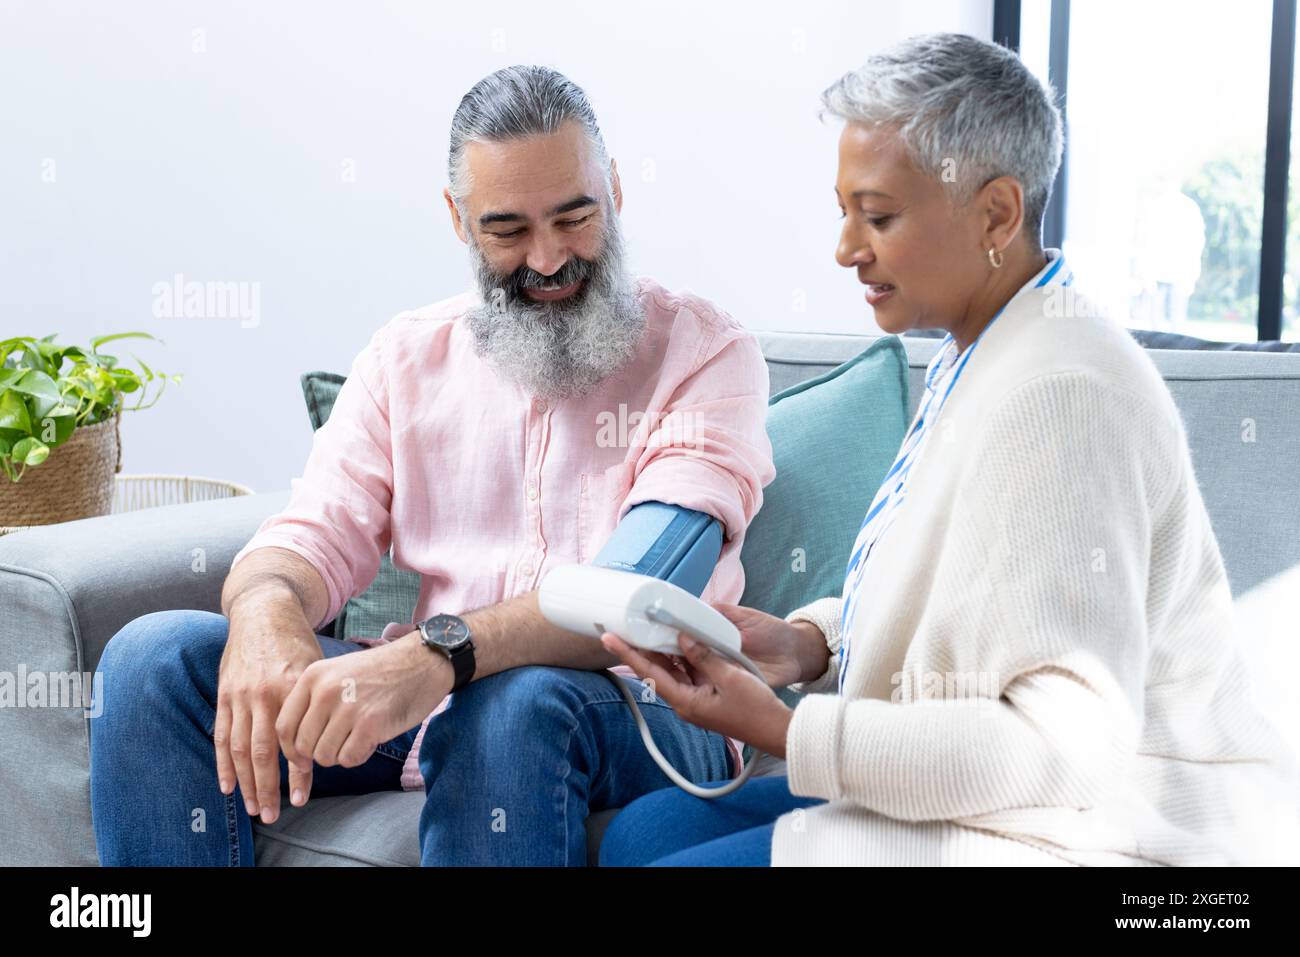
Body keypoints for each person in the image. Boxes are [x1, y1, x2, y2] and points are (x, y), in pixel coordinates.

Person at [598, 32, 1300, 867]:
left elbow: (1065, 749)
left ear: (996, 213)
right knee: (642, 833)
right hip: (991, 797)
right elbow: (969, 602)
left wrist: (789, 729)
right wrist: (811, 645)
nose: (846, 248)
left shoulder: (1062, 393)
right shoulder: (983, 347)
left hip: (1098, 828)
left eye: (878, 215)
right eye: (844, 210)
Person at [89, 65, 775, 866]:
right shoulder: (405, 357)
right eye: (508, 231)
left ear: (615, 191)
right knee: (151, 662)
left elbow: (634, 595)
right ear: (458, 219)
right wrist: (265, 609)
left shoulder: (706, 353)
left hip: (644, 708)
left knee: (511, 702)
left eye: (574, 217)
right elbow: (313, 530)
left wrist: (437, 654)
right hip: (435, 696)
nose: (547, 258)